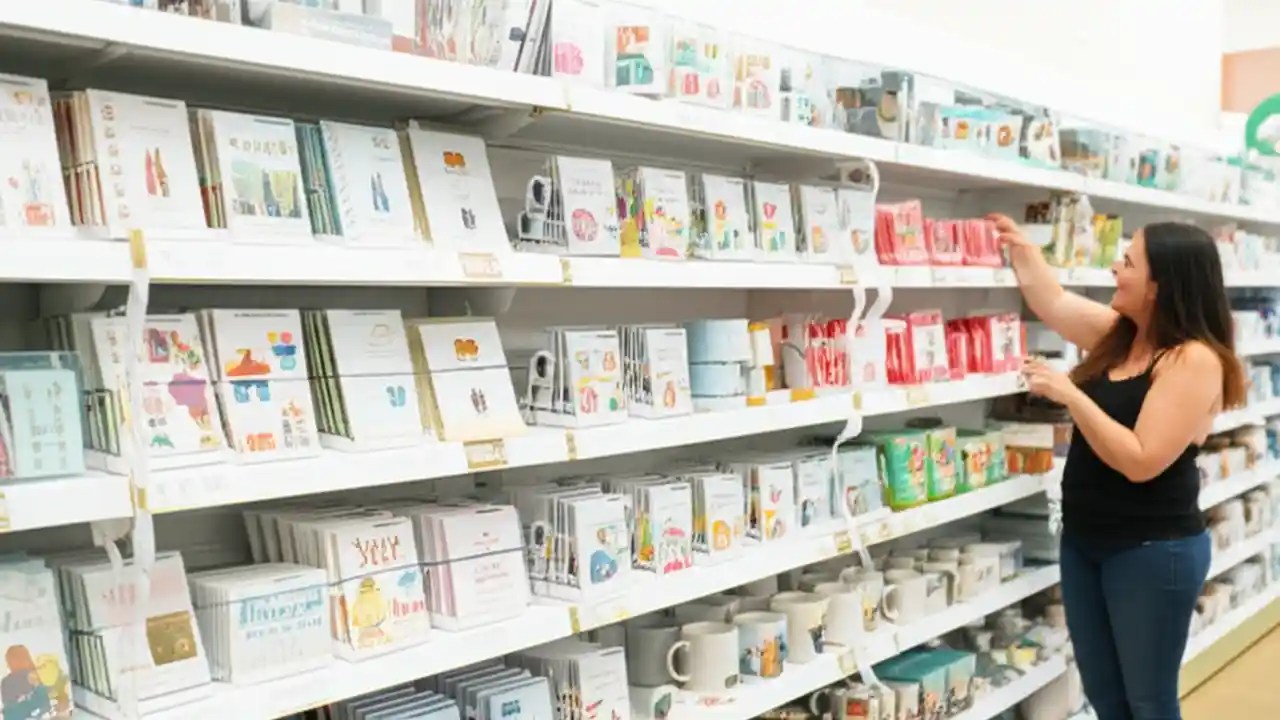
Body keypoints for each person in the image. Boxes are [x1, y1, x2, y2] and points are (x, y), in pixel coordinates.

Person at [993, 214, 1245, 720]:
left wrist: (1069, 393)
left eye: (1128, 262)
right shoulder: (1124, 335)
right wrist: (1022, 248)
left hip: (1151, 549)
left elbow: (1140, 460)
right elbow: (1053, 302)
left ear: (1159, 285)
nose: (1115, 267)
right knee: (1107, 698)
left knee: (1148, 702)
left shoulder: (1192, 360)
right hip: (1085, 541)